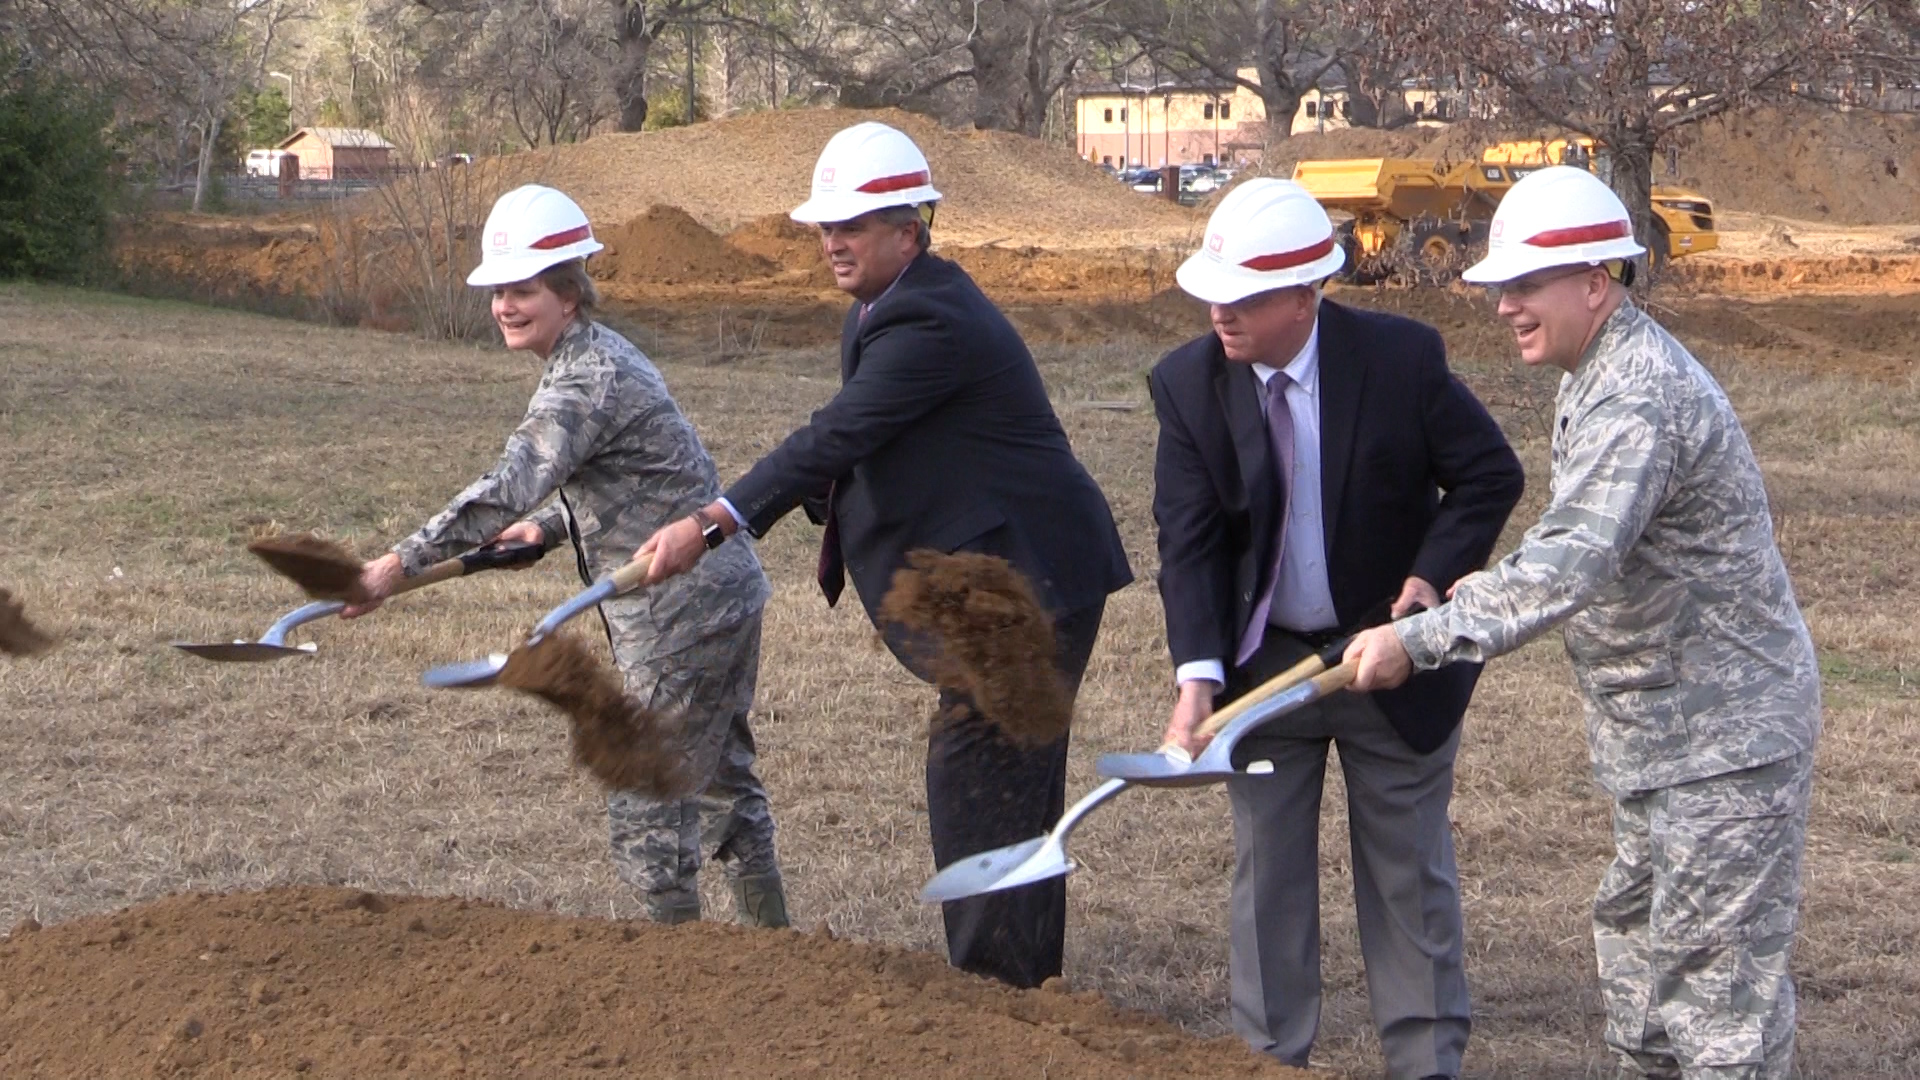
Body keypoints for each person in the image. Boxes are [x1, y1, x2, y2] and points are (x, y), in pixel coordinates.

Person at [1345, 166, 1821, 1080]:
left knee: (1716, 1015)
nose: (1505, 307)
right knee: (1644, 1001)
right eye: (1503, 287)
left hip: (1724, 746)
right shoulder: (1597, 378)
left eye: (1526, 285)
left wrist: (1420, 640)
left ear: (1596, 283)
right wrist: (1460, 601)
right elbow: (1587, 543)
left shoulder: (1638, 395)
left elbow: (1573, 561)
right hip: (1666, 745)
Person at [632, 122, 1133, 988]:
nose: (832, 243)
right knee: (1002, 783)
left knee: (981, 780)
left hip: (1029, 580)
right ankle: (1021, 989)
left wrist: (714, 522)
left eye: (853, 227)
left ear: (910, 231)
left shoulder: (927, 318)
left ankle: (997, 996)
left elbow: (839, 433)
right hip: (1016, 574)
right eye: (826, 227)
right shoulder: (887, 307)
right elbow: (872, 445)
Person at [1151, 179, 1524, 1078]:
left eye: (1242, 298)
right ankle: (1268, 1060)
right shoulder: (1188, 385)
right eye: (1212, 294)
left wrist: (1428, 579)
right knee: (1267, 877)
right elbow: (1189, 544)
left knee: (1407, 874)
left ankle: (1425, 1062)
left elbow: (1489, 474)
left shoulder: (1400, 360)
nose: (1219, 314)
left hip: (1392, 660)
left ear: (1305, 294)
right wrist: (1198, 676)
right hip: (1265, 668)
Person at [344, 184, 787, 929]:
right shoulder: (595, 357)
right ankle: (773, 955)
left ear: (569, 294)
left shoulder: (587, 377)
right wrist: (550, 529)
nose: (504, 307)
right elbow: (639, 478)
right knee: (720, 784)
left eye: (523, 291)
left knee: (646, 794)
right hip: (717, 596)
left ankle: (679, 967)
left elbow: (507, 485)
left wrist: (395, 566)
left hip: (683, 611)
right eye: (498, 293)